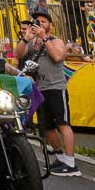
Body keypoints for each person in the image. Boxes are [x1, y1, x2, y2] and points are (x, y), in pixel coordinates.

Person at [18, 10, 79, 176]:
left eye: (43, 22)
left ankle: (71, 163)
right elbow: (18, 55)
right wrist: (26, 38)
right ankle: (60, 157)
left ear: (50, 26)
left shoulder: (56, 41)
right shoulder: (32, 43)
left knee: (62, 124)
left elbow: (58, 57)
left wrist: (44, 38)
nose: (39, 24)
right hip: (40, 89)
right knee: (47, 128)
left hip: (56, 88)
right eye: (37, 22)